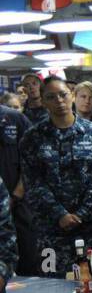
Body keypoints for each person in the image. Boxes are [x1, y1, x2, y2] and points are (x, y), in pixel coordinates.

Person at [18, 76, 92, 274]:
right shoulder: (32, 138)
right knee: (50, 287)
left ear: (71, 95)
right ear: (43, 101)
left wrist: (81, 214)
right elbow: (34, 183)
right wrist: (60, 214)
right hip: (50, 229)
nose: (59, 101)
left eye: (63, 95)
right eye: (51, 97)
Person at [0, 97, 36, 275]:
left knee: (28, 258)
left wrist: (15, 195)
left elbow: (33, 161)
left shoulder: (15, 119)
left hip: (19, 204)